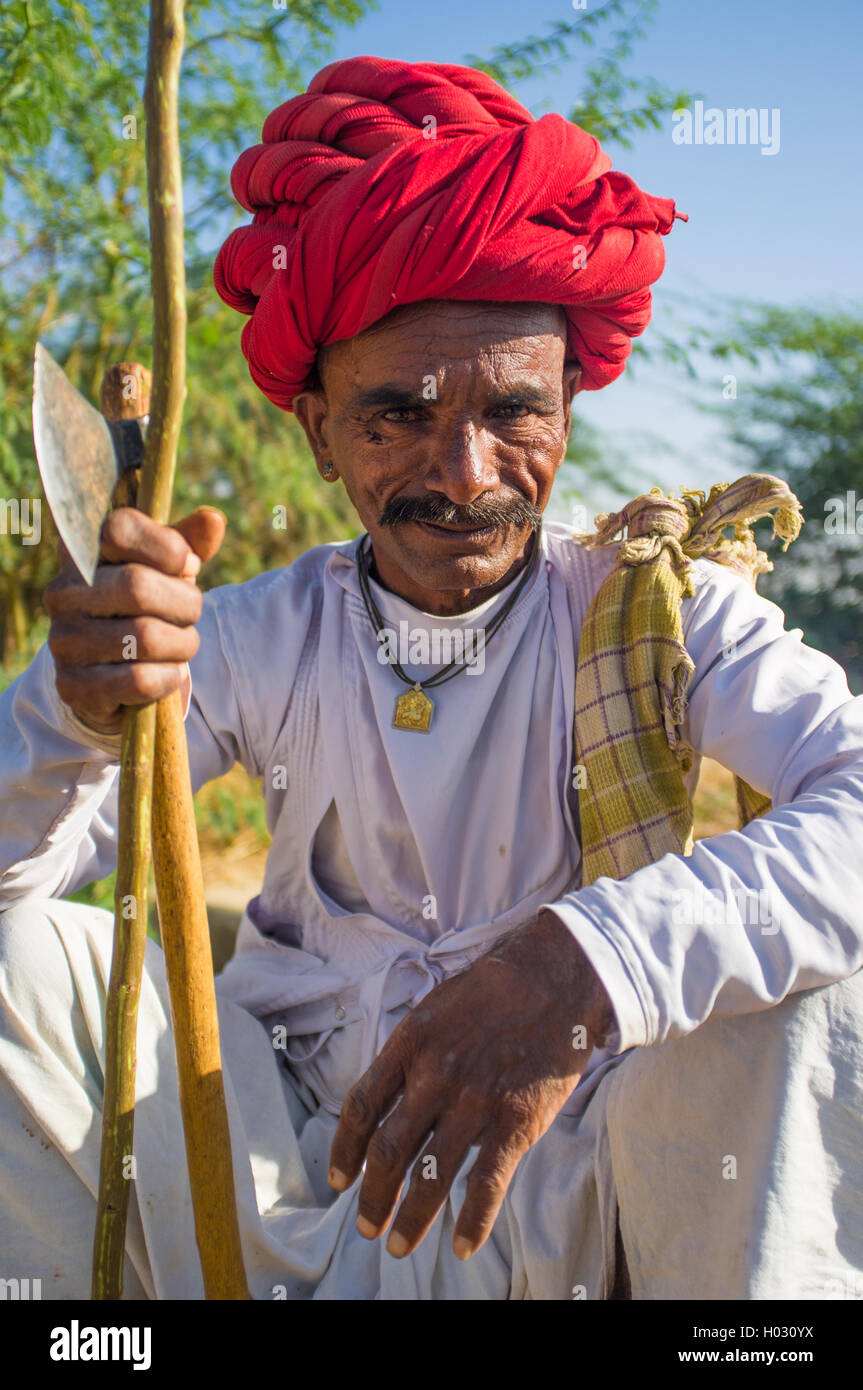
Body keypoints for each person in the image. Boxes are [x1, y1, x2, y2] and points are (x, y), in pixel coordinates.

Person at [1, 55, 862, 1301]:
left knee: (810, 991)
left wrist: (580, 968)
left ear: (568, 403)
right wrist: (69, 716)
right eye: (395, 413)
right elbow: (21, 877)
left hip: (565, 1198)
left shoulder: (652, 612)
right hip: (269, 1187)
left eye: (512, 409)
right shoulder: (252, 633)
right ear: (315, 428)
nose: (462, 473)